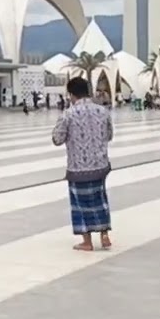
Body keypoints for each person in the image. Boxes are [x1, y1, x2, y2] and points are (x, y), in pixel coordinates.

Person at [52, 76, 114, 252]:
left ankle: (87, 241)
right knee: (100, 199)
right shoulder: (102, 111)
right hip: (100, 165)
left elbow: (57, 139)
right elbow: (109, 135)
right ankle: (104, 235)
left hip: (78, 168)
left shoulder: (68, 114)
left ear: (71, 94)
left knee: (80, 204)